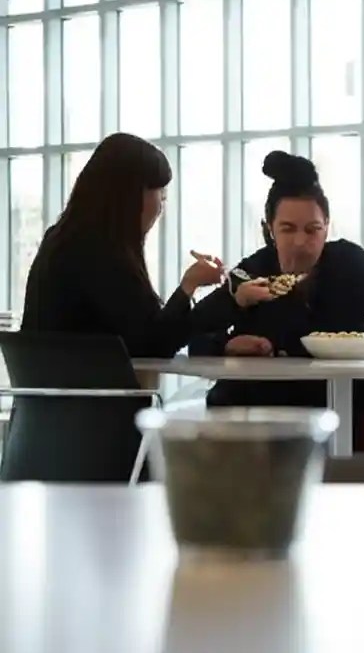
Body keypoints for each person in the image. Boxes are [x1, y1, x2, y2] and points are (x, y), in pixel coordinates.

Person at [8, 132, 255, 481]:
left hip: (43, 435)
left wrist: (189, 290)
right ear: (131, 194)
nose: (161, 206)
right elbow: (154, 342)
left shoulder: (63, 240)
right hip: (103, 433)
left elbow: (143, 332)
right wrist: (212, 294)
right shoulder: (100, 254)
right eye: (160, 194)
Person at [190, 150, 364, 453]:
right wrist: (227, 345)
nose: (300, 242)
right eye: (287, 229)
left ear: (327, 226)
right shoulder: (251, 271)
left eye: (312, 230)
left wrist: (353, 349)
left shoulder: (351, 262)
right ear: (270, 228)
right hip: (261, 409)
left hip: (348, 409)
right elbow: (195, 340)